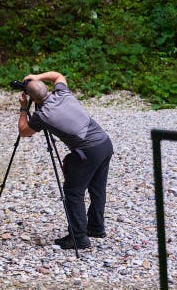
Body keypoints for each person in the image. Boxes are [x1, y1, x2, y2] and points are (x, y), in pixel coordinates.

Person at [16, 71, 114, 250]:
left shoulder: (42, 115)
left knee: (73, 192)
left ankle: (79, 238)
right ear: (47, 89)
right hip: (105, 143)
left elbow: (23, 131)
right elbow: (58, 76)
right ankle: (96, 228)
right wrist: (37, 76)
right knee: (97, 188)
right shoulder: (62, 93)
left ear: (32, 98)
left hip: (88, 151)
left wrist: (23, 108)